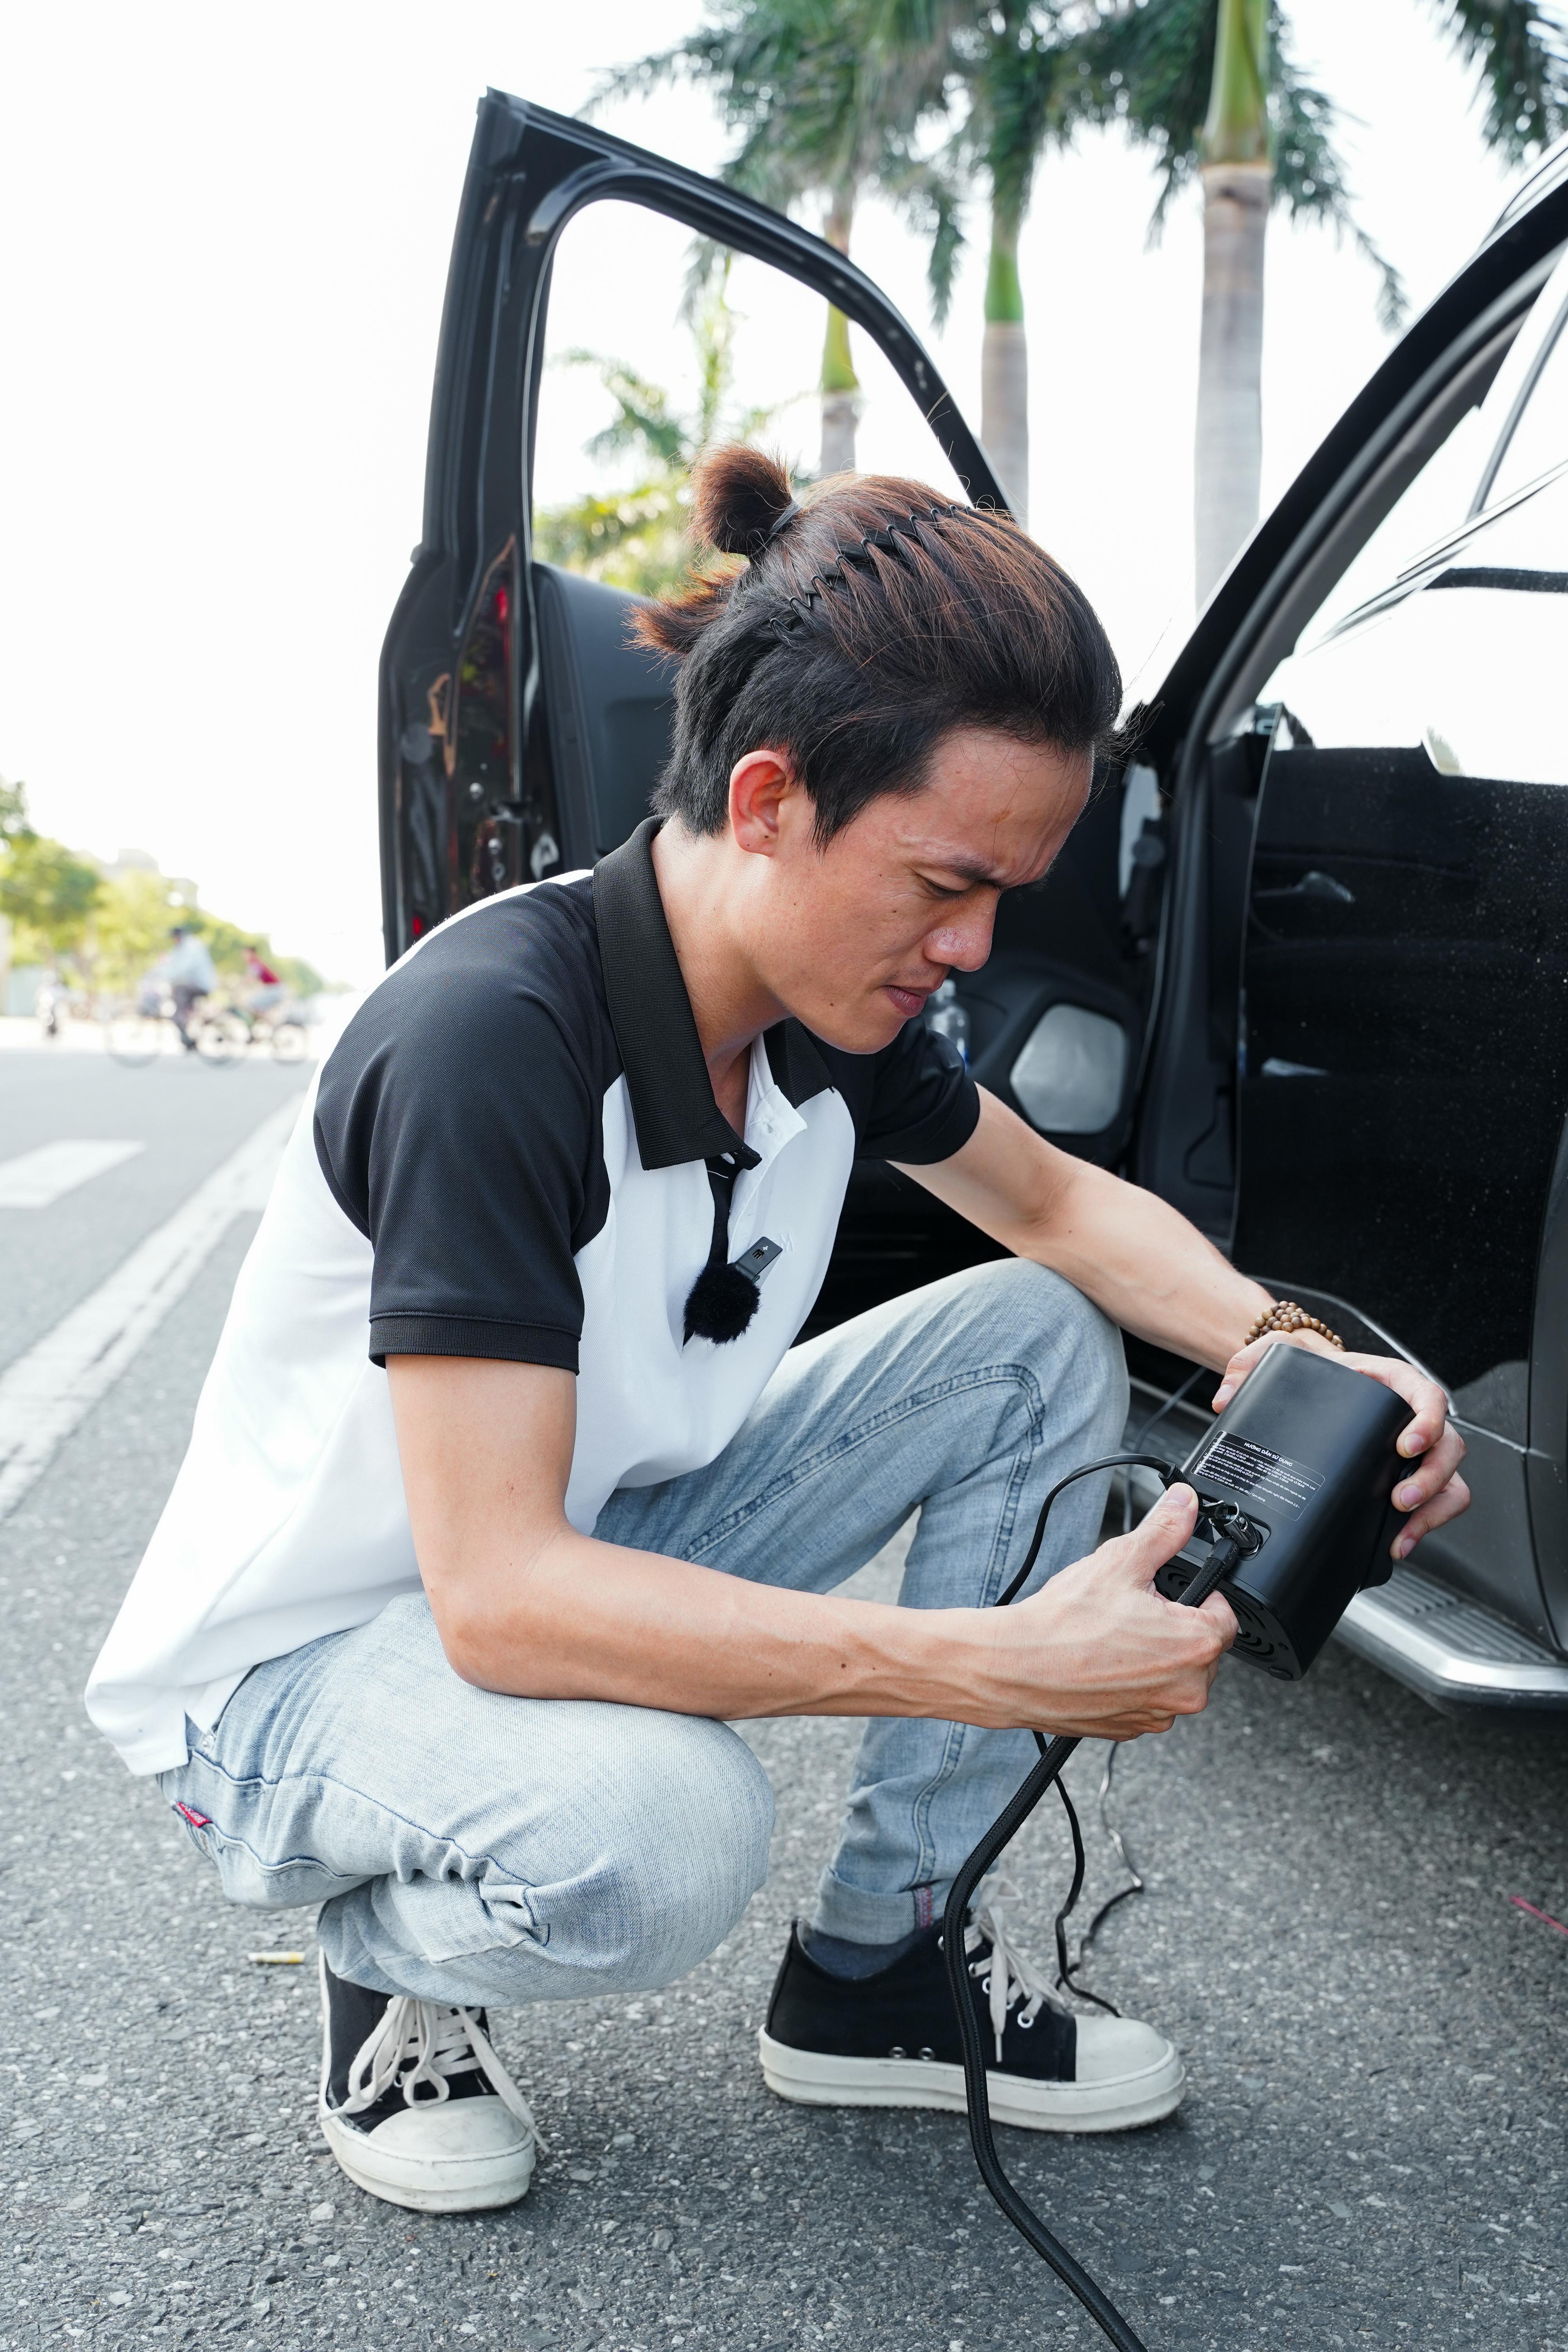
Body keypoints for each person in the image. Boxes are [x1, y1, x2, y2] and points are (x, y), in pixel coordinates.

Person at [87, 450, 1467, 2219]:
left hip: (558, 1552)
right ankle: (396, 1950)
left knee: (1032, 1332)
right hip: (309, 1664)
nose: (967, 947)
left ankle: (884, 1965)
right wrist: (1000, 1661)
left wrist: (1311, 1352)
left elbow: (1052, 1211)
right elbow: (501, 1593)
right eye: (940, 883)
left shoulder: (832, 1000)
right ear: (764, 799)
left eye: (1006, 899)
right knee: (662, 1832)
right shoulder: (490, 1039)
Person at [151, 923, 218, 1049]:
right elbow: (169, 964)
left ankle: (181, 1018)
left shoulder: (192, 947)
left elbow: (182, 968)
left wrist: (166, 975)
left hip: (201, 984)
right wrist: (156, 973)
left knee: (179, 991)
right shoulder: (180, 948)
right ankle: (187, 1030)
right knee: (179, 992)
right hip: (193, 984)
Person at [243, 946, 286, 1018]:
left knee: (253, 1004)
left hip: (274, 990)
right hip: (276, 989)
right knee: (259, 1009)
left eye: (246, 953)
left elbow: (251, 978)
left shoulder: (255, 963)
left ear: (251, 953)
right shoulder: (257, 962)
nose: (244, 955)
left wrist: (240, 985)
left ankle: (262, 1025)